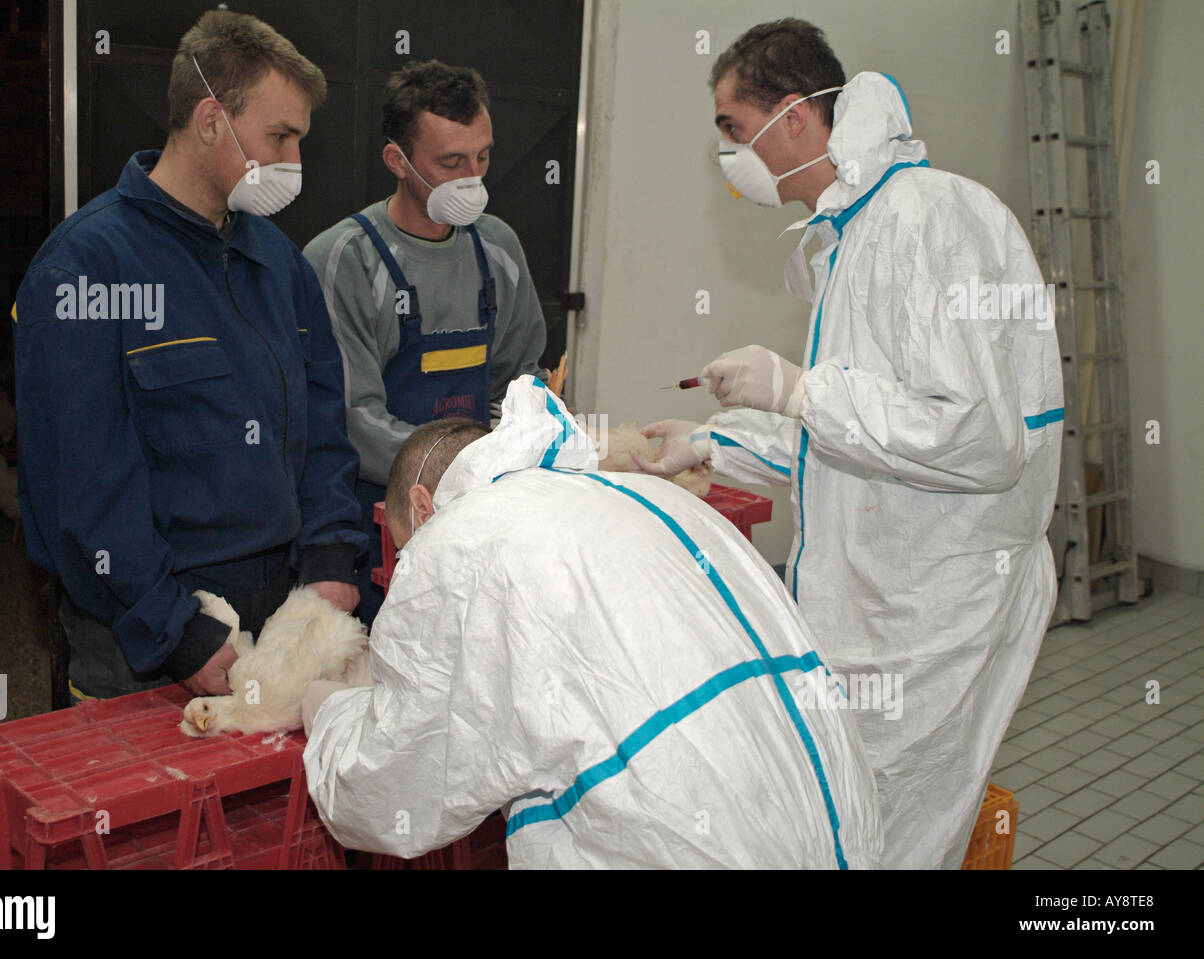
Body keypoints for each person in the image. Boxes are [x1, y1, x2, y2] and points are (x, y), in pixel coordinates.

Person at [634, 20, 1062, 869]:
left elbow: (976, 435)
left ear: (793, 117)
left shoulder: (932, 220)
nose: (726, 156)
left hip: (934, 611)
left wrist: (800, 387)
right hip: (879, 601)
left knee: (885, 840)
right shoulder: (856, 235)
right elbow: (854, 442)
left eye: (731, 128)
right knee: (849, 825)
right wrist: (712, 445)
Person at [301, 376, 883, 869]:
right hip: (844, 826)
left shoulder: (457, 543)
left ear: (423, 507)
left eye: (405, 547)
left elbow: (400, 784)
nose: (408, 563)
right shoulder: (645, 498)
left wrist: (327, 713)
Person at [14, 10, 366, 701]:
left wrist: (330, 551)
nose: (294, 162)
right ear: (211, 120)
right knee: (144, 810)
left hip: (276, 620)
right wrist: (174, 629)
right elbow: (81, 486)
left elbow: (325, 425)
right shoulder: (86, 270)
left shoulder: (280, 266)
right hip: (145, 641)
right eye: (281, 137)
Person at [302, 60, 547, 627]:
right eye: (451, 162)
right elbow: (351, 417)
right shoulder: (346, 261)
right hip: (373, 523)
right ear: (398, 160)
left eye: (482, 157)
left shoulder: (498, 248)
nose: (473, 178)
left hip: (479, 512)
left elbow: (518, 382)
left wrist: (501, 465)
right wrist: (468, 466)